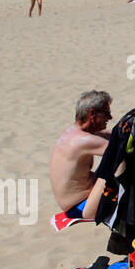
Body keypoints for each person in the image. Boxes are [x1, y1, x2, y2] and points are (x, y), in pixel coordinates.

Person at [49, 91, 114, 222]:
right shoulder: (84, 141)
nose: (110, 117)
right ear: (92, 114)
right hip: (82, 207)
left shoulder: (73, 133)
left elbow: (110, 137)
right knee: (117, 166)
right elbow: (121, 152)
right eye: (106, 113)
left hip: (73, 202)